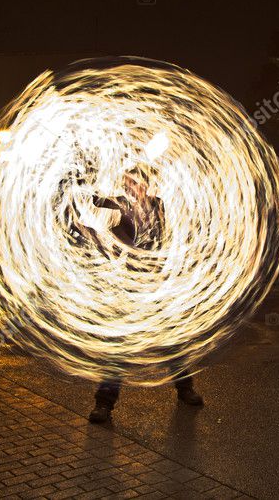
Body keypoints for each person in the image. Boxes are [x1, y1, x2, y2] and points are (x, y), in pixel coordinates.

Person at [86, 171, 204, 424]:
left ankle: (185, 388)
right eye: (129, 183)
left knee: (173, 341)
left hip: (156, 284)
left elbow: (171, 232)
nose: (134, 188)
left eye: (138, 183)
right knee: (119, 346)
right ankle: (104, 404)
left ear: (147, 186)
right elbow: (94, 201)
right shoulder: (118, 204)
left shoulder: (160, 205)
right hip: (131, 285)